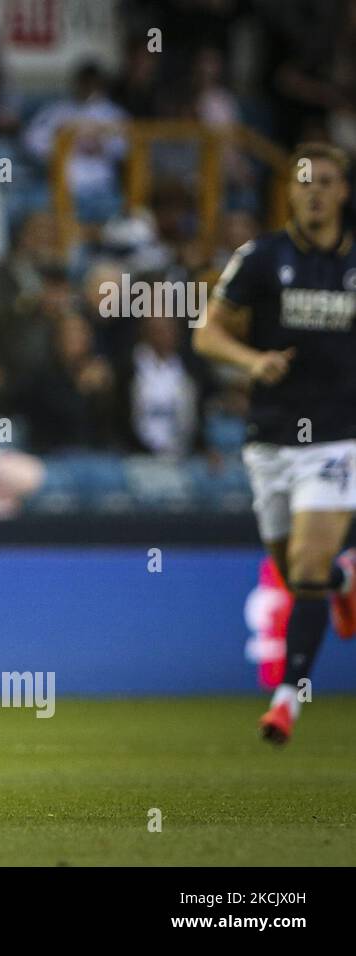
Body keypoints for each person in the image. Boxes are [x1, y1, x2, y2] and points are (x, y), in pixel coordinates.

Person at [194, 142, 356, 745]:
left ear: (343, 191)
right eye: (305, 180)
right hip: (270, 439)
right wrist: (251, 360)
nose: (316, 191)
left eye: (328, 181)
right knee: (296, 572)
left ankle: (285, 701)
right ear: (290, 190)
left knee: (308, 563)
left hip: (338, 440)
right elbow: (206, 333)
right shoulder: (262, 258)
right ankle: (343, 585)